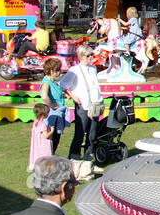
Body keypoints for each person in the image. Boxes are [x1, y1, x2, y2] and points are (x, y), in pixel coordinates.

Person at [62, 45, 104, 181]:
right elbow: (62, 84)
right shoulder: (74, 70)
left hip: (94, 104)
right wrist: (72, 95)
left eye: (92, 55)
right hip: (82, 105)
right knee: (80, 133)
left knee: (92, 134)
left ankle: (88, 160)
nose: (91, 57)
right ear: (81, 57)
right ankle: (73, 159)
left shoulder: (93, 68)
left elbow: (95, 86)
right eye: (88, 55)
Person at [39, 58, 69, 155]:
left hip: (57, 114)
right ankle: (48, 157)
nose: (60, 72)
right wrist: (51, 105)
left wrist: (63, 95)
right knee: (52, 139)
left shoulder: (53, 83)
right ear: (51, 71)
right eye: (58, 70)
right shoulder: (46, 82)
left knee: (56, 138)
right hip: (51, 115)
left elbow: (55, 93)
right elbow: (44, 96)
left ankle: (51, 156)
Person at [29, 103, 54, 172]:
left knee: (38, 156)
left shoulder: (35, 122)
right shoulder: (43, 124)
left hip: (37, 144)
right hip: (43, 144)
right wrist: (52, 131)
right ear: (44, 114)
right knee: (45, 157)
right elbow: (46, 135)